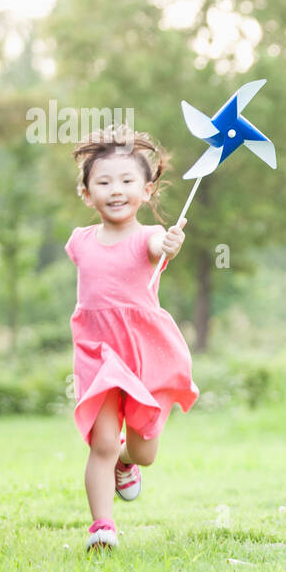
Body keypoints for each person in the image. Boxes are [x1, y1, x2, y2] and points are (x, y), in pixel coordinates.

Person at [66, 126, 199, 550]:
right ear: (86, 193)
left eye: (127, 181)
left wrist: (169, 243)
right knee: (102, 442)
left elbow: (160, 245)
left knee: (144, 453)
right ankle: (102, 527)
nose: (116, 190)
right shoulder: (80, 242)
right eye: (103, 182)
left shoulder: (148, 239)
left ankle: (128, 462)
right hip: (98, 354)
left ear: (147, 190)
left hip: (144, 353)